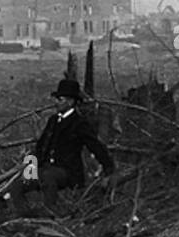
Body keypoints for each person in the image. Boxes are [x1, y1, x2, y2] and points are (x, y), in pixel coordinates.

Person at [20, 78, 115, 210]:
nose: (56, 103)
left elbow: (95, 146)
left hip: (68, 172)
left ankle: (51, 216)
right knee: (19, 184)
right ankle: (24, 217)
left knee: (48, 177)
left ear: (70, 102)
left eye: (60, 99)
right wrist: (30, 167)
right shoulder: (53, 120)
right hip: (45, 168)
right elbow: (41, 146)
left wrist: (108, 167)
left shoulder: (79, 123)